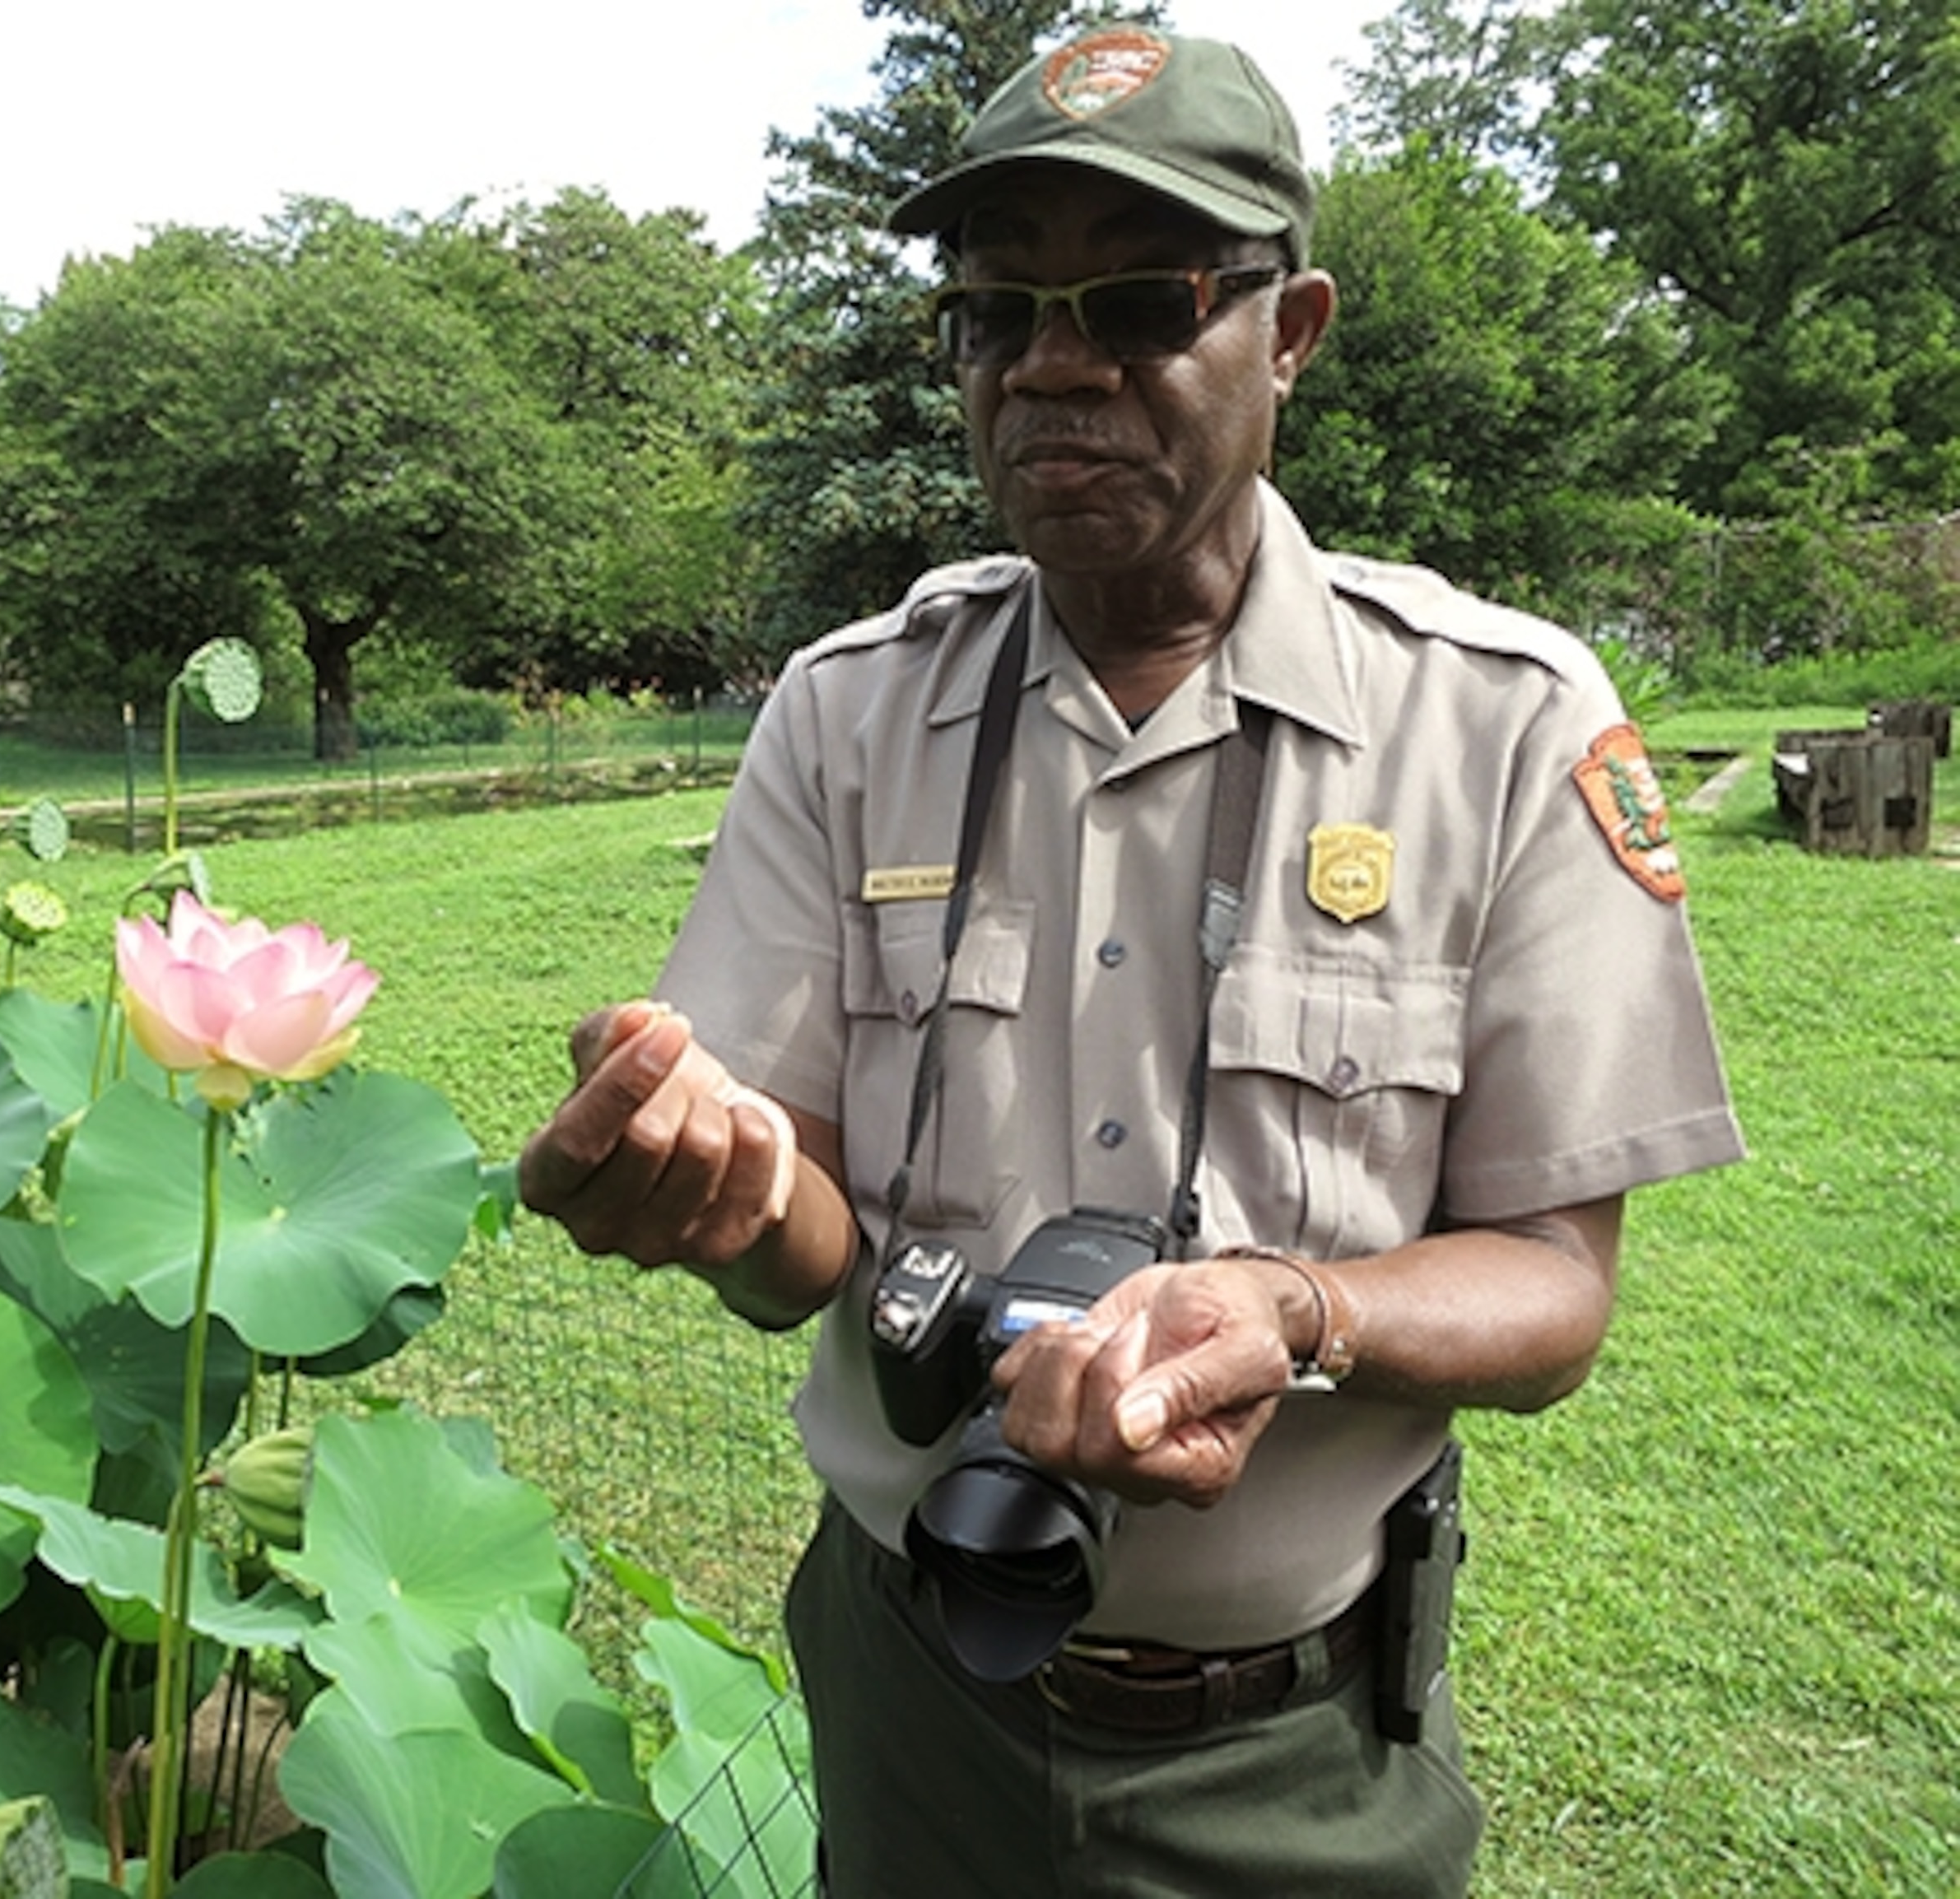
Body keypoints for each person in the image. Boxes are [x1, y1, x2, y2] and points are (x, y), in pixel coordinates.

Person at [519, 25, 1743, 1897]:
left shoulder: (1496, 719)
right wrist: (726, 1191)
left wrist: (1297, 1309)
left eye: (1140, 300)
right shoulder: (851, 716)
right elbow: (815, 1241)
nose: (1056, 366)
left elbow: (1555, 1288)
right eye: (995, 314)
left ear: (1293, 328)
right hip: (912, 1688)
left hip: (1298, 1753)